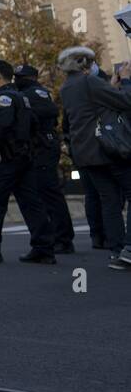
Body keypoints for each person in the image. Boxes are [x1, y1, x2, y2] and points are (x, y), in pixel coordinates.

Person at [0, 60, 56, 264]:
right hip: (23, 157)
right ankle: (43, 248)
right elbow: (33, 124)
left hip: (7, 157)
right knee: (30, 201)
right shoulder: (21, 97)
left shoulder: (4, 97)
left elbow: (4, 123)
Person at [58, 46, 131, 270]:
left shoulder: (66, 87)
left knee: (108, 201)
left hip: (86, 154)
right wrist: (126, 80)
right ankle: (129, 248)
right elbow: (126, 101)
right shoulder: (89, 81)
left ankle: (118, 249)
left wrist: (111, 87)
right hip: (108, 149)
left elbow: (91, 106)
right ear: (86, 64)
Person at [13, 63, 75, 254]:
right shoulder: (33, 92)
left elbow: (49, 113)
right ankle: (59, 236)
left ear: (30, 77)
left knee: (48, 191)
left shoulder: (36, 92)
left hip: (44, 145)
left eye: (20, 77)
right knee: (44, 191)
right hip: (41, 145)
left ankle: (63, 238)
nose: (17, 80)